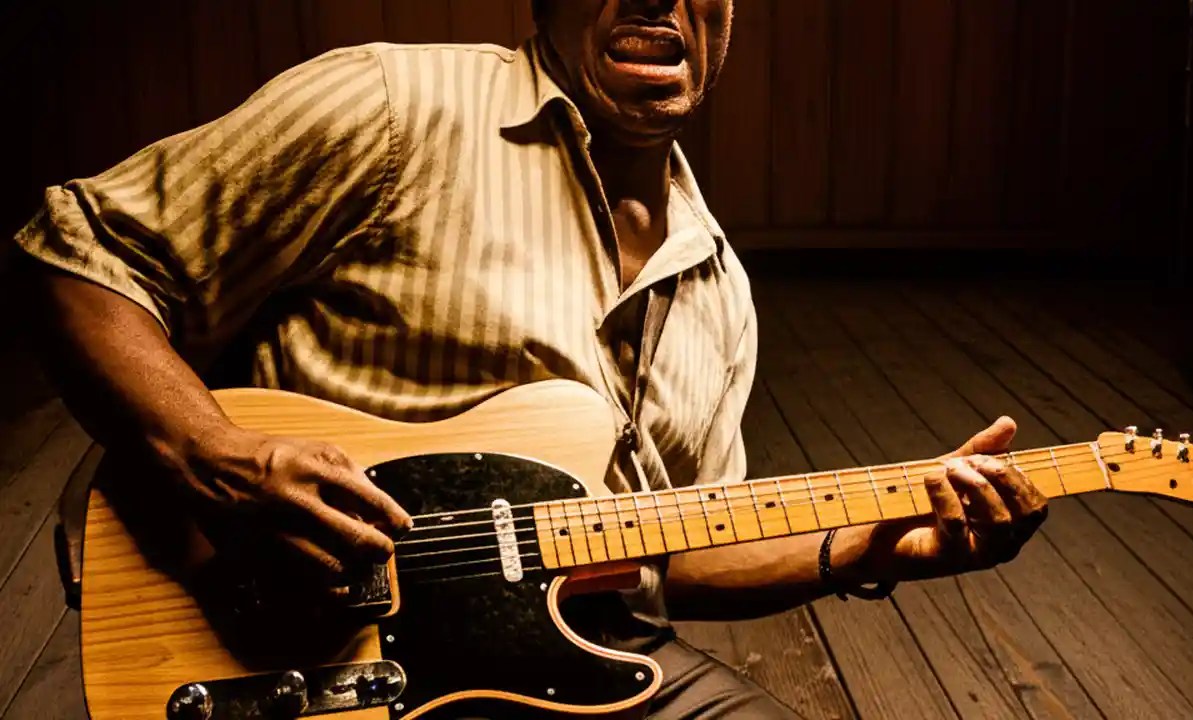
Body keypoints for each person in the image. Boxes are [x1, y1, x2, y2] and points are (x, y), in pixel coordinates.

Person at [13, 0, 1047, 716]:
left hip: (561, 664)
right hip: (299, 658)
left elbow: (671, 544)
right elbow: (75, 253)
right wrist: (216, 458)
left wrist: (880, 546)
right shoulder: (392, 106)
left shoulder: (717, 285)